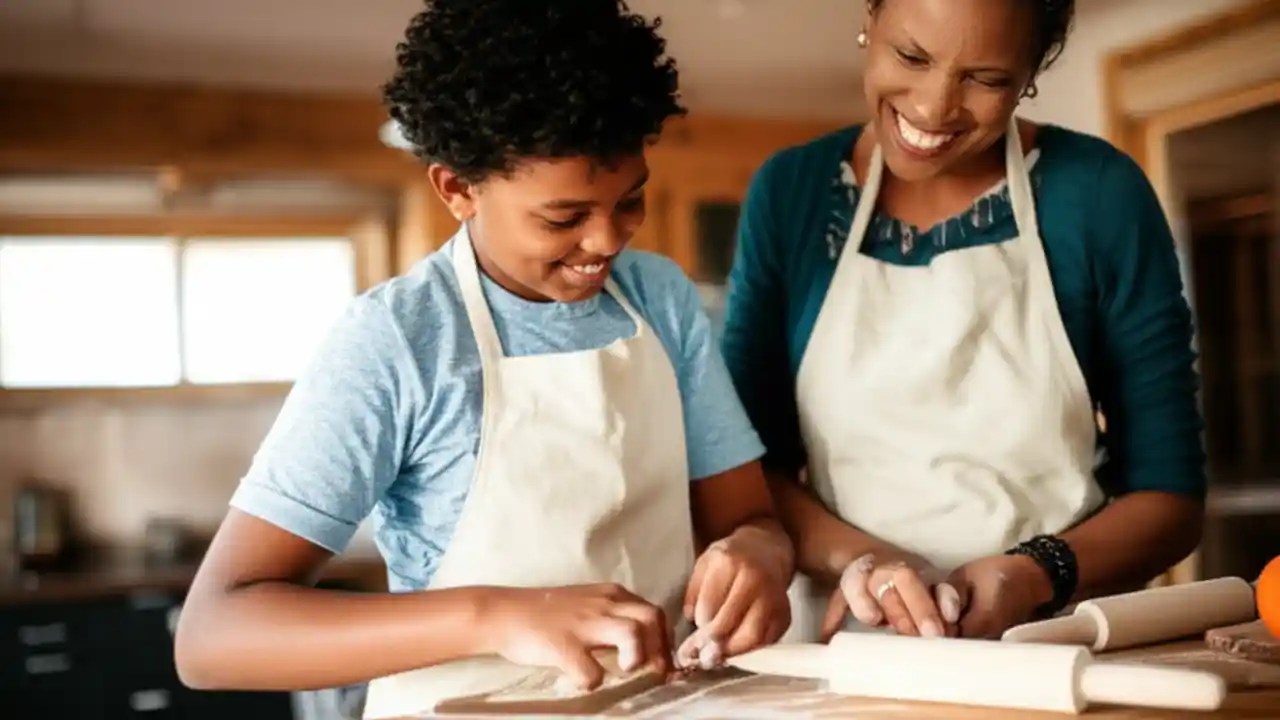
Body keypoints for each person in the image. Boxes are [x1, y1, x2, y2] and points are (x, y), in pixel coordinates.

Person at [174, 2, 794, 717]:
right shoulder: (398, 340)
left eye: (630, 201)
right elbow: (213, 635)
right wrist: (498, 615)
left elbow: (750, 519)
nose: (606, 241)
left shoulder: (660, 299)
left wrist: (760, 558)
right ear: (458, 189)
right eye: (563, 218)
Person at [721, 0, 1205, 644]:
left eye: (986, 78)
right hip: (857, 647)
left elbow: (1169, 498)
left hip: (1052, 641)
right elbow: (751, 476)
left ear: (1032, 71)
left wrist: (1034, 574)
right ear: (871, 20)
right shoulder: (792, 194)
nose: (933, 107)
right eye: (911, 57)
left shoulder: (1097, 192)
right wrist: (870, 562)